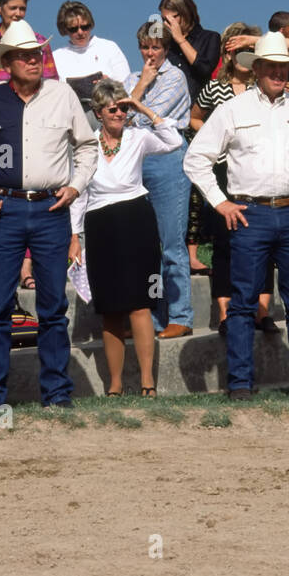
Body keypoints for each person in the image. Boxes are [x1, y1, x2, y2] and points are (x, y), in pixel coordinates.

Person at [184, 32, 289, 401]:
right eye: (272, 67)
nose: (280, 73)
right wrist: (221, 202)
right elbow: (196, 159)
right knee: (242, 302)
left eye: (284, 67)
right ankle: (239, 383)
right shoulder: (232, 109)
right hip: (248, 215)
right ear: (257, 69)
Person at [0, 20, 96, 409]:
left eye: (36, 53)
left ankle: (57, 394)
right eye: (23, 56)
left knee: (53, 305)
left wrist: (75, 187)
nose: (33, 60)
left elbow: (87, 147)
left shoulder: (63, 95)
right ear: (6, 62)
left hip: (50, 208)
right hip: (3, 210)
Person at [73, 81, 180, 396]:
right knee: (111, 309)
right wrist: (74, 236)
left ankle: (147, 381)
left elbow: (173, 139)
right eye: (113, 108)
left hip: (137, 221)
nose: (119, 113)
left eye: (123, 108)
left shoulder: (139, 137)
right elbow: (78, 194)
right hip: (100, 224)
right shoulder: (87, 145)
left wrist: (142, 108)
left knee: (140, 303)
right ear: (99, 113)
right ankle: (115, 385)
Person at [190, 23, 276, 335]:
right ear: (227, 52)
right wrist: (216, 139)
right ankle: (225, 313)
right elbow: (194, 117)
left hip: (258, 171)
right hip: (223, 172)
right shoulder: (214, 88)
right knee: (226, 243)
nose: (241, 55)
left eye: (247, 50)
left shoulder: (264, 90)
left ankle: (262, 311)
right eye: (235, 49)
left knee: (264, 239)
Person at [125, 21, 194, 338]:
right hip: (137, 161)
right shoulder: (131, 78)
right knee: (145, 248)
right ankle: (152, 317)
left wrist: (136, 96)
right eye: (146, 47)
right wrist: (139, 87)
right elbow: (117, 117)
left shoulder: (176, 77)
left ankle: (180, 315)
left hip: (167, 159)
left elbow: (146, 115)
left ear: (167, 49)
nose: (150, 53)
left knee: (171, 243)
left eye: (156, 47)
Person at [51, 0, 130, 92]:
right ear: (65, 29)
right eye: (73, 29)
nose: (80, 32)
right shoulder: (56, 57)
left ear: (91, 24)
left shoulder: (109, 47)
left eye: (84, 27)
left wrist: (110, 84)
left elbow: (128, 85)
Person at [158, 0, 221, 101]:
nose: (167, 24)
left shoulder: (210, 38)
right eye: (163, 19)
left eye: (171, 18)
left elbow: (204, 69)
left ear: (186, 13)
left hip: (198, 110)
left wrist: (181, 40)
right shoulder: (166, 43)